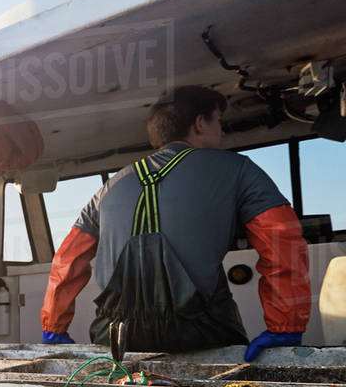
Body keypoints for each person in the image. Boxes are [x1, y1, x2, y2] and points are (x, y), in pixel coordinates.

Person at [39, 86, 310, 360]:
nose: (223, 131)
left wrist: (54, 329)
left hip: (115, 338)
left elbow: (67, 260)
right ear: (200, 123)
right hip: (203, 333)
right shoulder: (239, 170)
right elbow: (282, 243)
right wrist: (285, 327)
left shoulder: (109, 187)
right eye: (218, 121)